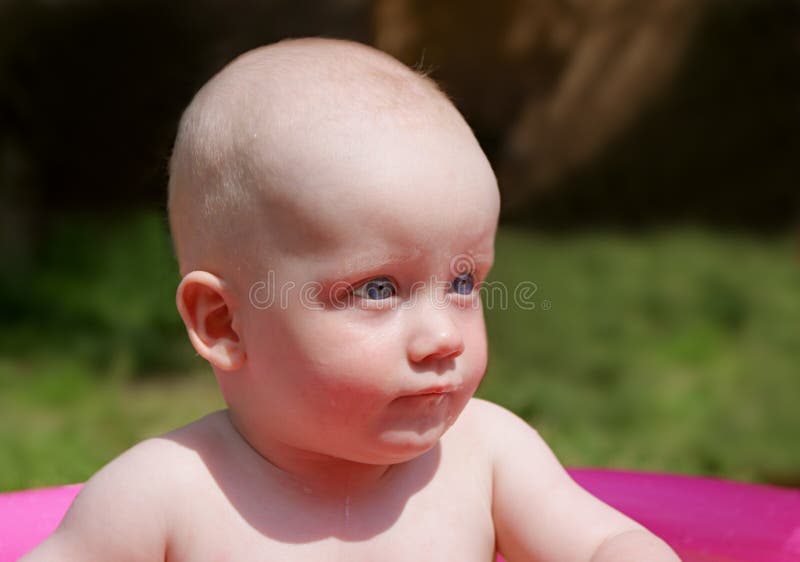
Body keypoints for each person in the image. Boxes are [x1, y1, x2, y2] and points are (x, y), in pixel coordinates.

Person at [23, 38, 680, 561]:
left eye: (462, 283)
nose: (443, 337)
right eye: (378, 289)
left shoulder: (489, 456)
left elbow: (601, 544)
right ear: (225, 322)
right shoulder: (165, 496)